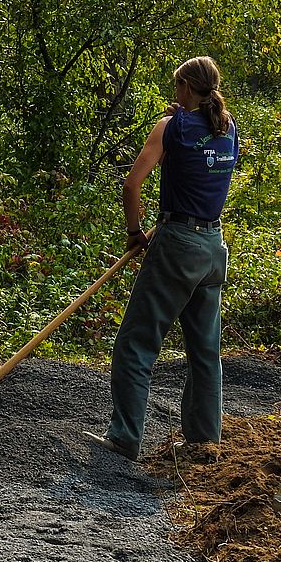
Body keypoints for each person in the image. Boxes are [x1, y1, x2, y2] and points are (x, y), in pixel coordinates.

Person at [85, 56, 239, 461]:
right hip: (212, 246)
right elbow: (200, 163)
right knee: (205, 350)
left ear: (186, 87)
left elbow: (132, 183)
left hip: (176, 245)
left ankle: (124, 438)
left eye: (177, 87)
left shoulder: (170, 127)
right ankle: (205, 440)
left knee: (136, 343)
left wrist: (135, 232)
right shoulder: (228, 128)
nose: (175, 94)